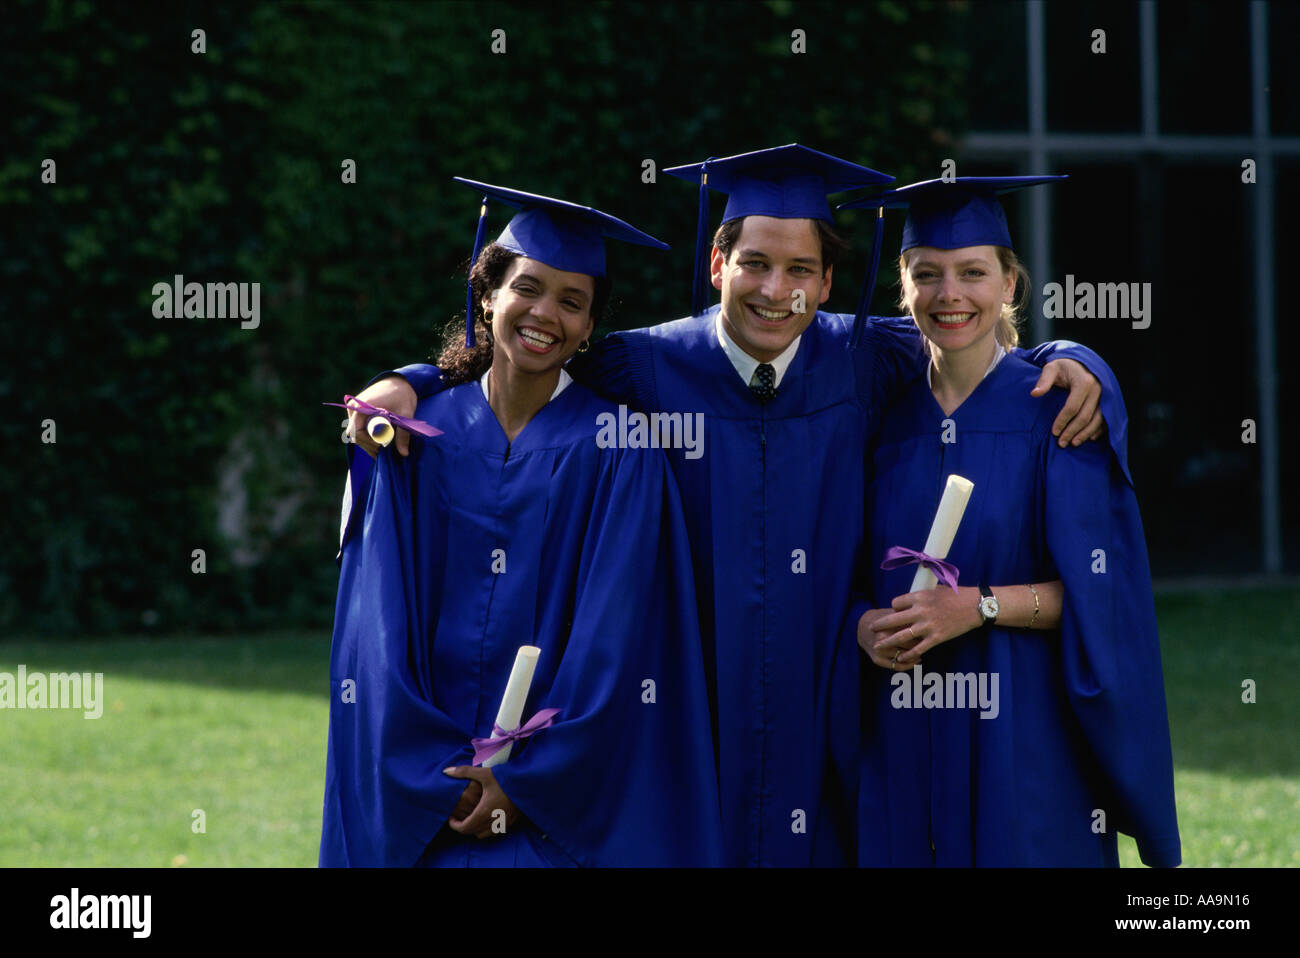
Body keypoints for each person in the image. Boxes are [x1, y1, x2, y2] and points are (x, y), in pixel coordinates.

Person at [343, 146, 1125, 866]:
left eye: (799, 271)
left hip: (821, 701)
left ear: (825, 283)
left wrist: (1075, 357)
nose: (775, 290)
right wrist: (413, 380)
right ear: (718, 262)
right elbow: (529, 359)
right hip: (687, 704)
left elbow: (969, 341)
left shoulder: (864, 356)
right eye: (753, 262)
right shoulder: (646, 366)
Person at [319, 180, 724, 867]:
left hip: (553, 807)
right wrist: (429, 775)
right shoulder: (416, 440)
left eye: (572, 302)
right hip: (429, 796)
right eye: (528, 289)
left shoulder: (621, 450)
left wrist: (528, 783)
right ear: (487, 295)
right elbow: (372, 630)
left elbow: (620, 642)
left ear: (591, 326)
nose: (546, 314)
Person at [840, 176, 1181, 866]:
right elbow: (839, 570)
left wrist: (980, 606)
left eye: (973, 273)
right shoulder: (878, 420)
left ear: (1010, 286)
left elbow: (1103, 592)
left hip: (1024, 739)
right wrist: (861, 626)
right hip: (903, 733)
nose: (950, 295)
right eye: (926, 274)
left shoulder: (1057, 412)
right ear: (903, 289)